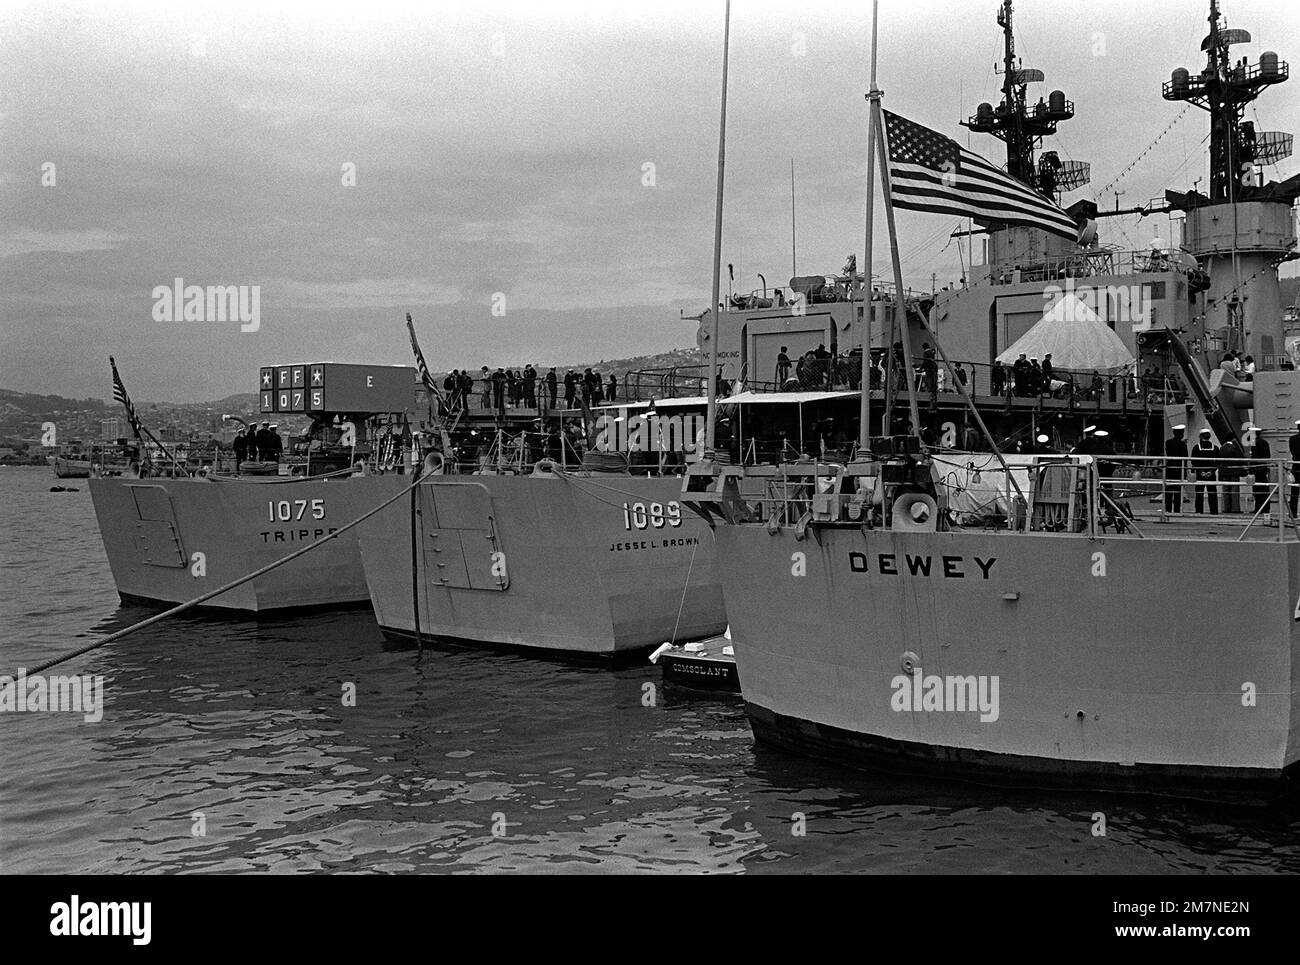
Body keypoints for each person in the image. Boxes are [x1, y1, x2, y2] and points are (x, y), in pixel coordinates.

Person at [1190, 428, 1219, 514]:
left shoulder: (1196, 448)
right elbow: (1218, 461)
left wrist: (1200, 471)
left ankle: (1199, 511)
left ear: (1200, 436)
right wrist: (1211, 471)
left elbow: (1193, 461)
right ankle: (1214, 511)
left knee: (1199, 494)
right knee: (1212, 493)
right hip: (1211, 474)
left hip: (1200, 474)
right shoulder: (1215, 448)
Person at [1164, 424, 1187, 513]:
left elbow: (1168, 453)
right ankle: (1177, 510)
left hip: (1170, 468)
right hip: (1179, 469)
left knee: (1168, 491)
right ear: (1181, 433)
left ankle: (1168, 509)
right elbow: (1185, 457)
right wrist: (1185, 471)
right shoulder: (1183, 444)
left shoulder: (1168, 442)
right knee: (1178, 491)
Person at [1218, 435, 1243, 514]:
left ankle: (1226, 508)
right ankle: (1235, 509)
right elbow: (1239, 460)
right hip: (1234, 472)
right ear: (1233, 439)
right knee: (1234, 490)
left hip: (1225, 472)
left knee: (1225, 490)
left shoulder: (1222, 448)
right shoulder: (1235, 448)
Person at [1251, 429, 1273, 516]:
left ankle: (1258, 508)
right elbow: (1268, 456)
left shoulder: (1254, 443)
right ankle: (1266, 507)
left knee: (1257, 489)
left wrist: (1251, 469)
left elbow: (1254, 458)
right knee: (1264, 488)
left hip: (1257, 469)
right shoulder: (1265, 443)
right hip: (1263, 468)